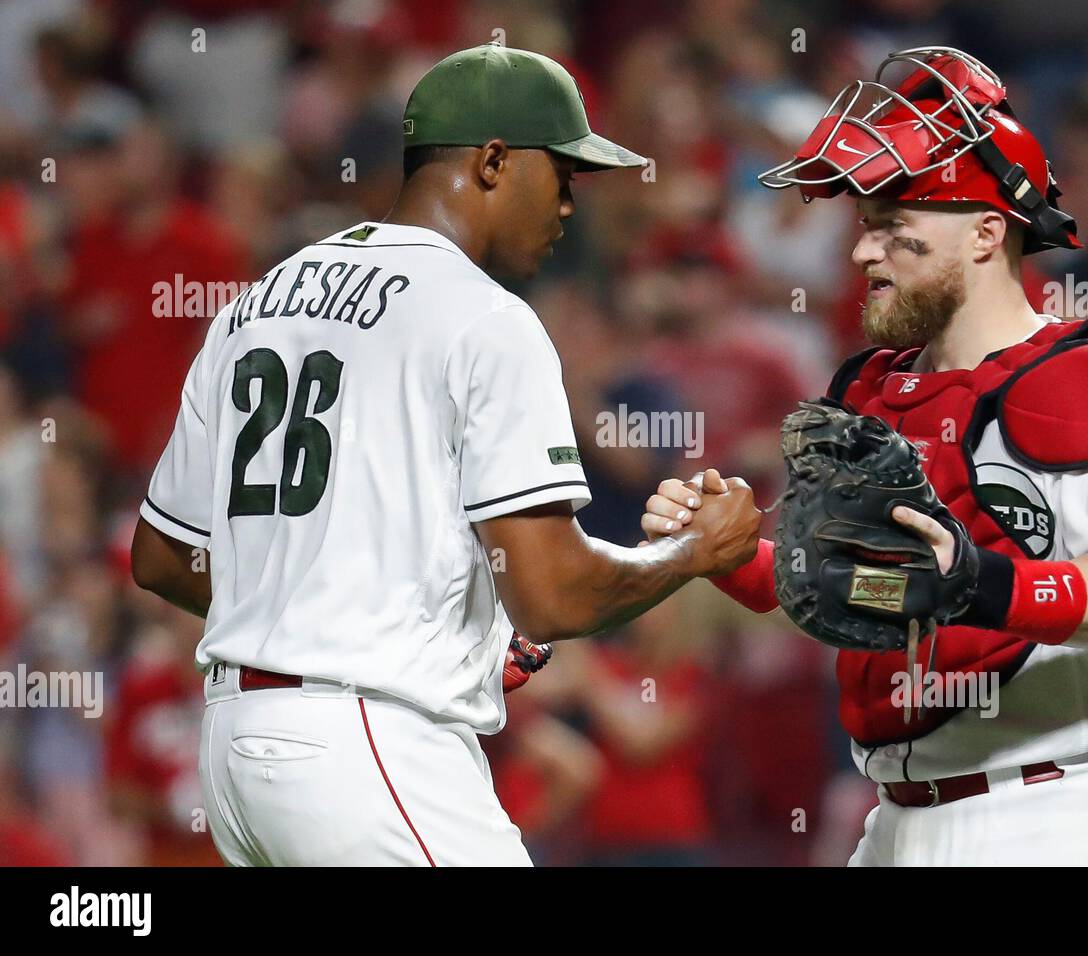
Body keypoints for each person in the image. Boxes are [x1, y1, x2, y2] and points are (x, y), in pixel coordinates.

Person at [130, 42, 760, 867]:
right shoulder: (483, 316)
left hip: (235, 751)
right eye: (562, 174)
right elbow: (553, 595)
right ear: (493, 161)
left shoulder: (261, 301)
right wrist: (691, 553)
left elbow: (163, 556)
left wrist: (380, 621)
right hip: (364, 745)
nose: (570, 204)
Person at [643, 47, 1088, 866]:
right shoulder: (868, 387)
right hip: (897, 819)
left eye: (895, 232)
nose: (864, 254)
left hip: (1049, 806)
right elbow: (855, 594)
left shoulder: (1071, 374)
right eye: (866, 228)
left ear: (985, 233)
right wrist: (734, 558)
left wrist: (979, 583)